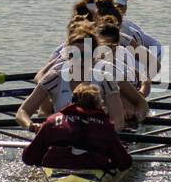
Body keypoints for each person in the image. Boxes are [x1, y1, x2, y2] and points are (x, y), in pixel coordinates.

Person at [15, 23, 145, 132]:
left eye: (85, 55)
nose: (80, 60)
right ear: (67, 55)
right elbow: (23, 112)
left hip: (96, 138)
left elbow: (118, 121)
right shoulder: (54, 77)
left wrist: (136, 116)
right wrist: (31, 126)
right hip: (63, 135)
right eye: (75, 55)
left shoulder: (106, 78)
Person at [21, 83, 133, 174]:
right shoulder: (106, 126)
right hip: (92, 168)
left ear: (72, 101)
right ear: (98, 103)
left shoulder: (52, 121)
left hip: (55, 165)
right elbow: (125, 163)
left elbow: (28, 158)